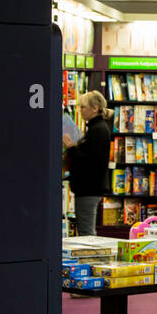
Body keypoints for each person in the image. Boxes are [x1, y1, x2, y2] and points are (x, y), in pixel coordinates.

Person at [63, 91, 112, 236]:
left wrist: (71, 148)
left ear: (95, 108)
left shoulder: (98, 130)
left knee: (87, 232)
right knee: (86, 230)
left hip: (89, 188)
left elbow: (90, 161)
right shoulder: (95, 128)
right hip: (88, 188)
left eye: (83, 107)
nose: (80, 110)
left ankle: (92, 258)